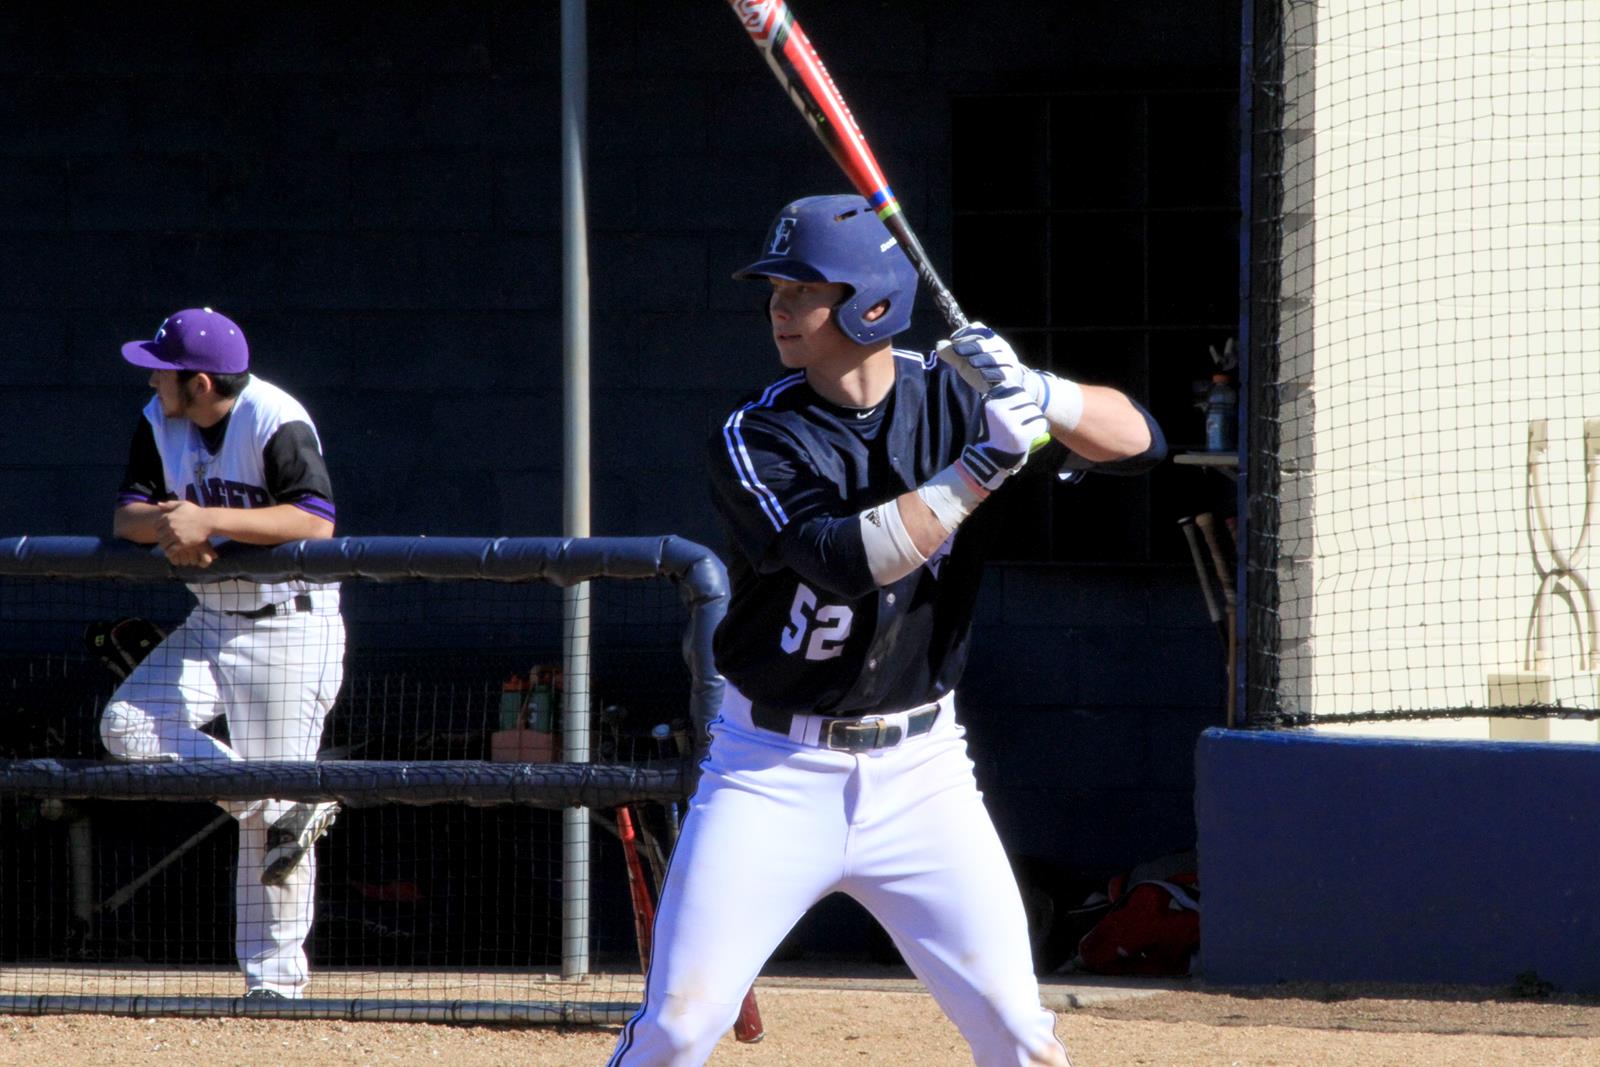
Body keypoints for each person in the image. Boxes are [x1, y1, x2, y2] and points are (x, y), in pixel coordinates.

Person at [607, 195, 1165, 1066]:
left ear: (870, 299)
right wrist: (982, 467)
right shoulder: (759, 432)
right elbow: (843, 558)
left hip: (923, 775)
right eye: (775, 292)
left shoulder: (952, 393)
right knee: (679, 1024)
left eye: (803, 290)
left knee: (1021, 1034)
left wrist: (1043, 391)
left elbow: (1141, 441)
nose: (780, 309)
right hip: (771, 772)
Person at [100, 307, 346, 999]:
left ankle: (275, 984)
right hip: (212, 618)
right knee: (127, 726)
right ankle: (280, 801)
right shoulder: (159, 419)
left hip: (288, 625)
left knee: (262, 841)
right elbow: (128, 516)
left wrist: (211, 520)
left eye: (163, 370)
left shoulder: (275, 416)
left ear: (201, 381)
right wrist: (171, 527)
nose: (152, 378)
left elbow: (314, 521)